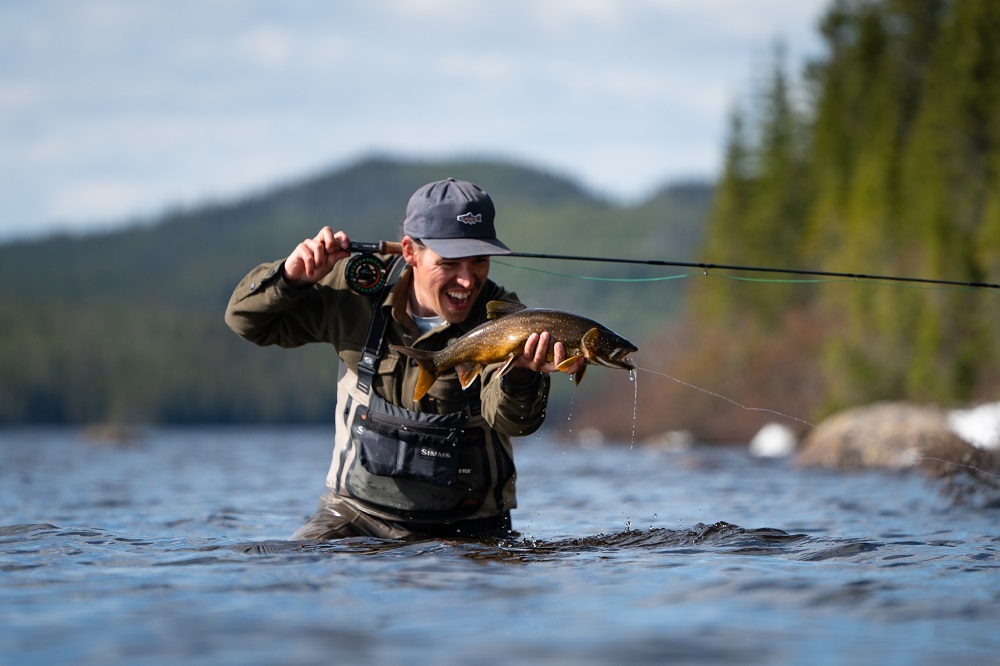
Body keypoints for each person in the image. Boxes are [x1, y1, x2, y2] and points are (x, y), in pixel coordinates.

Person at [225, 178, 584, 540]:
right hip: (355, 516)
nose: (466, 280)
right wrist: (290, 279)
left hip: (472, 528)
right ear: (410, 252)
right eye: (449, 263)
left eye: (479, 261)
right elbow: (246, 322)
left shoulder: (506, 322)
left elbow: (514, 424)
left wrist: (523, 376)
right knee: (291, 566)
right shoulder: (356, 291)